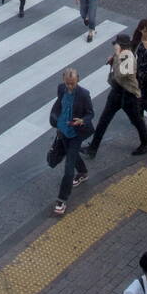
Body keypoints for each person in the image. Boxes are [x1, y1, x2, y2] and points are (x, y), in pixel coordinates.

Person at [85, 33, 147, 158]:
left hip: (129, 95)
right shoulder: (123, 54)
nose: (115, 46)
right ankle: (92, 148)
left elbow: (120, 74)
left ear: (121, 46)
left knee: (136, 120)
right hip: (117, 91)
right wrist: (115, 58)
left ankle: (146, 143)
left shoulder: (128, 56)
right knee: (104, 119)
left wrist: (116, 57)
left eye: (117, 44)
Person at [49, 67, 94, 217]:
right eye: (67, 83)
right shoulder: (61, 89)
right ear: (63, 80)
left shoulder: (83, 94)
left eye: (72, 83)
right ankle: (82, 172)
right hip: (63, 131)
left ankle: (62, 199)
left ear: (78, 80)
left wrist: (82, 120)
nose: (70, 86)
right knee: (71, 154)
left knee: (69, 168)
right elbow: (60, 106)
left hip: (76, 133)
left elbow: (90, 113)